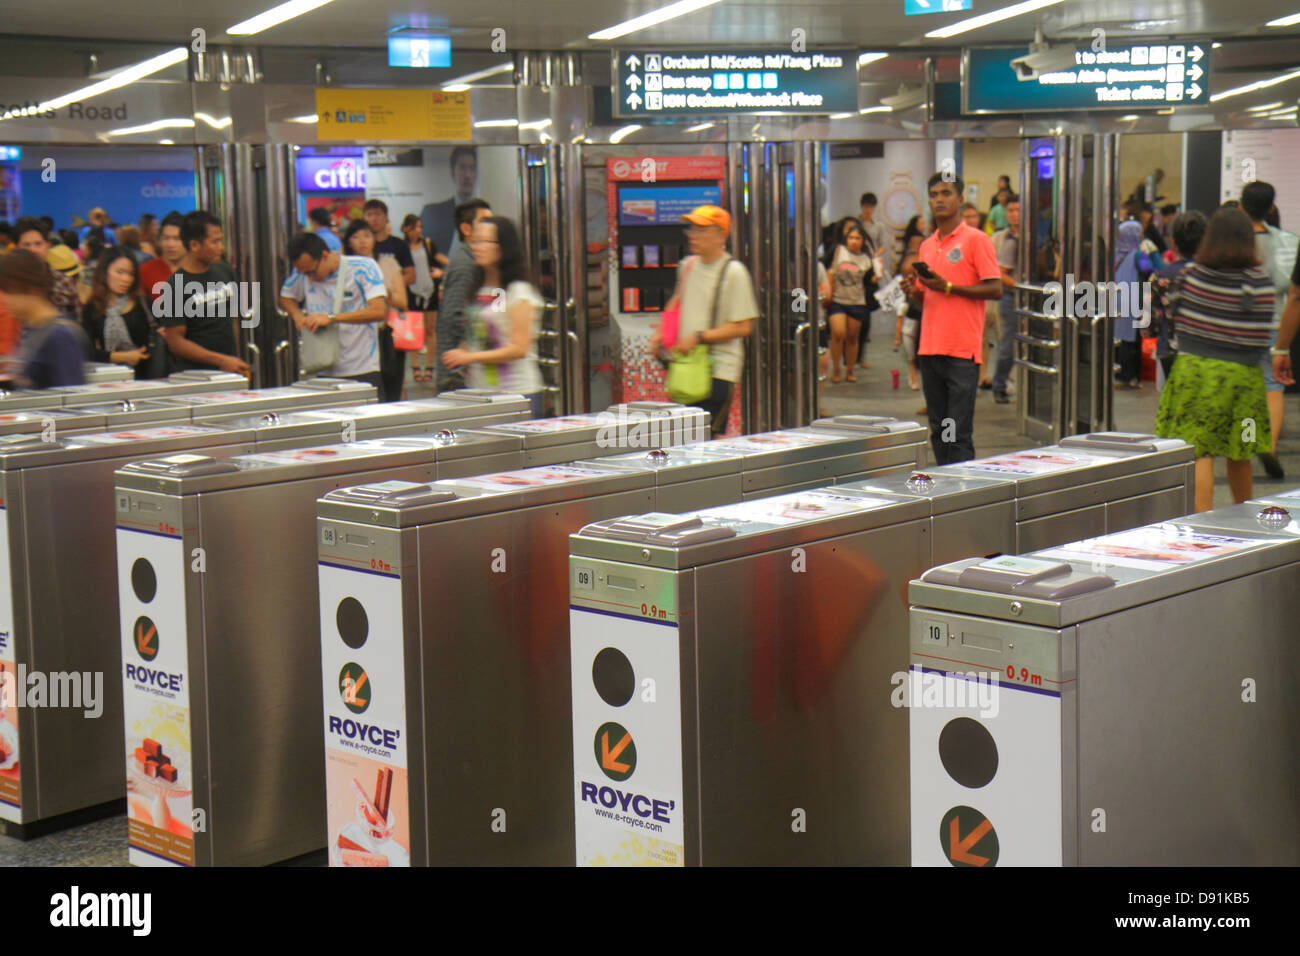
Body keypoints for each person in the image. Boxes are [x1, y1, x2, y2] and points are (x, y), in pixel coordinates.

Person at [1155, 207, 1275, 512]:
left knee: (1199, 451)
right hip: (1244, 385)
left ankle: (1202, 527)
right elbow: (1262, 338)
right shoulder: (1261, 283)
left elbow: (1173, 316)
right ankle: (1246, 519)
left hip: (1195, 377)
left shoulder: (1190, 276)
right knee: (1242, 450)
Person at [901, 172, 1003, 465]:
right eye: (934, 195)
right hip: (930, 348)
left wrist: (948, 286)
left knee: (958, 432)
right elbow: (927, 296)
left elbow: (994, 288)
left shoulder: (976, 240)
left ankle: (963, 500)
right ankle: (944, 488)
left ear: (959, 200)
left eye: (946, 194)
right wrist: (915, 292)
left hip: (961, 352)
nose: (939, 200)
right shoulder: (928, 245)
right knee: (939, 430)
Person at [649, 205, 757, 436]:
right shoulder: (687, 266)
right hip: (686, 366)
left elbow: (744, 326)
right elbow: (677, 302)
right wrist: (662, 333)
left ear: (721, 235)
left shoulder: (734, 272)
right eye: (692, 229)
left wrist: (699, 337)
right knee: (682, 436)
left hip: (718, 370)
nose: (693, 235)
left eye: (702, 230)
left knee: (702, 437)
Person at [440, 216, 545, 417]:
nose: (477, 247)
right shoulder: (490, 290)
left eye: (485, 242)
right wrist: (463, 352)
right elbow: (492, 332)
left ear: (504, 246)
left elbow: (519, 347)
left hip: (516, 393)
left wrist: (470, 357)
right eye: (475, 241)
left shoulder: (519, 290)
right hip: (481, 392)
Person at [280, 231, 388, 392]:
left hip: (361, 368)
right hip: (322, 366)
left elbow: (378, 311)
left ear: (324, 255)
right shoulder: (302, 272)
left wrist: (332, 318)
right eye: (304, 273)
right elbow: (286, 296)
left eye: (312, 272)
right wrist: (297, 316)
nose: (309, 278)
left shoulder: (363, 268)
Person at [1240, 180, 1297, 480]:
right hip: (1274, 322)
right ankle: (1270, 445)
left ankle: (1250, 444)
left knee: (1247, 389)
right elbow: (1290, 285)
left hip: (1240, 327)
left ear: (1240, 206)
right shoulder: (1287, 241)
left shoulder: (1233, 242)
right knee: (1273, 387)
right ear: (1271, 207)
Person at [156, 210, 250, 375]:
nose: (220, 248)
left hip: (230, 369)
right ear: (194, 245)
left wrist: (235, 358)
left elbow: (232, 320)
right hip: (196, 374)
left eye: (221, 241)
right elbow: (176, 342)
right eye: (214, 242)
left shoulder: (225, 270)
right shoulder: (175, 285)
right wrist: (221, 360)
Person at [0, 249, 89, 388]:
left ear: (30, 289)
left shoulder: (60, 336)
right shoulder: (32, 330)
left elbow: (72, 397)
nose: (6, 300)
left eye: (10, 292)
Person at [343, 219, 408, 400]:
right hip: (352, 336)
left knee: (389, 387)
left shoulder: (388, 263)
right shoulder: (344, 267)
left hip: (383, 333)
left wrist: (382, 292)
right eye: (356, 237)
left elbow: (403, 301)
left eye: (367, 235)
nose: (362, 241)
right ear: (348, 241)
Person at [436, 198, 493, 391]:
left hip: (473, 368)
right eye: (484, 222)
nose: (492, 227)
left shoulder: (483, 266)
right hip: (458, 374)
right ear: (466, 229)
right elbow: (455, 315)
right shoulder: (465, 264)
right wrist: (467, 354)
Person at [362, 200, 416, 402]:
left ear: (386, 217)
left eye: (377, 214)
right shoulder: (354, 256)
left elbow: (411, 275)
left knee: (392, 375)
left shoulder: (397, 247)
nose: (373, 219)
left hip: (391, 320)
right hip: (365, 327)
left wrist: (388, 285)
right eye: (369, 214)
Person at [1149, 210, 1207, 383]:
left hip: (1170, 348)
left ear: (1173, 243)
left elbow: (1147, 325)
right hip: (1208, 351)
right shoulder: (1214, 274)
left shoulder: (1158, 277)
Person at [80, 248, 154, 378]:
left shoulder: (143, 303)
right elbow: (86, 351)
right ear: (105, 272)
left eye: (130, 274)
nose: (126, 279)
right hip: (109, 378)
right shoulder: (92, 308)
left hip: (146, 376)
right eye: (119, 272)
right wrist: (120, 357)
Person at [402, 213, 447, 383]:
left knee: (430, 330)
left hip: (429, 290)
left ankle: (429, 366)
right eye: (415, 227)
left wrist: (442, 274)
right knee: (411, 331)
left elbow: (441, 260)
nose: (419, 230)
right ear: (407, 228)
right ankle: (414, 366)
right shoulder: (402, 246)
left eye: (421, 227)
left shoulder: (428, 244)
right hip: (410, 292)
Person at [826, 222, 873, 383]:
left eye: (857, 238)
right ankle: (837, 368)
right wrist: (827, 291)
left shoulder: (867, 259)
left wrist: (876, 277)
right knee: (838, 333)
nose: (853, 241)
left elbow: (869, 281)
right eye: (851, 238)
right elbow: (827, 269)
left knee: (853, 337)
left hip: (857, 301)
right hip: (837, 299)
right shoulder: (838, 251)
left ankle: (850, 369)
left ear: (862, 241)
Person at [13, 217, 79, 321]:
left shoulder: (65, 283)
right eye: (26, 245)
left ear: (47, 246)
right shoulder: (9, 286)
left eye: (38, 244)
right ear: (16, 248)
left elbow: (77, 324)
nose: (33, 250)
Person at [990, 194, 1022, 404]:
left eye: (1018, 210)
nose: (1014, 215)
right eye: (1010, 211)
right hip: (1011, 297)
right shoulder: (1003, 239)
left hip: (1034, 297)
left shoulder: (1035, 236)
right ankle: (999, 384)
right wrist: (1020, 287)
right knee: (1008, 342)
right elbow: (1000, 273)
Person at [421, 146, 478, 257]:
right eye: (462, 168)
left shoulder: (483, 215)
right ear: (453, 172)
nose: (467, 175)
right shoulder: (432, 213)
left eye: (472, 168)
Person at [1112, 220, 1146, 388]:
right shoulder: (1139, 254)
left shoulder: (1114, 253)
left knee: (1118, 336)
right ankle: (1130, 375)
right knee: (1131, 338)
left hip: (1115, 298)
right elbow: (1150, 270)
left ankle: (1117, 372)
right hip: (1133, 300)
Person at [138, 211, 185, 307]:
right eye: (166, 238)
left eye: (177, 239)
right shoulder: (145, 270)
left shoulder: (199, 268)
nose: (170, 244)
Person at [858, 192, 893, 277]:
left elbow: (883, 246)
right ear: (861, 206)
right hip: (857, 258)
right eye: (866, 207)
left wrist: (875, 254)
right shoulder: (856, 223)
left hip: (872, 259)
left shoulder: (878, 226)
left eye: (871, 207)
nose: (868, 210)